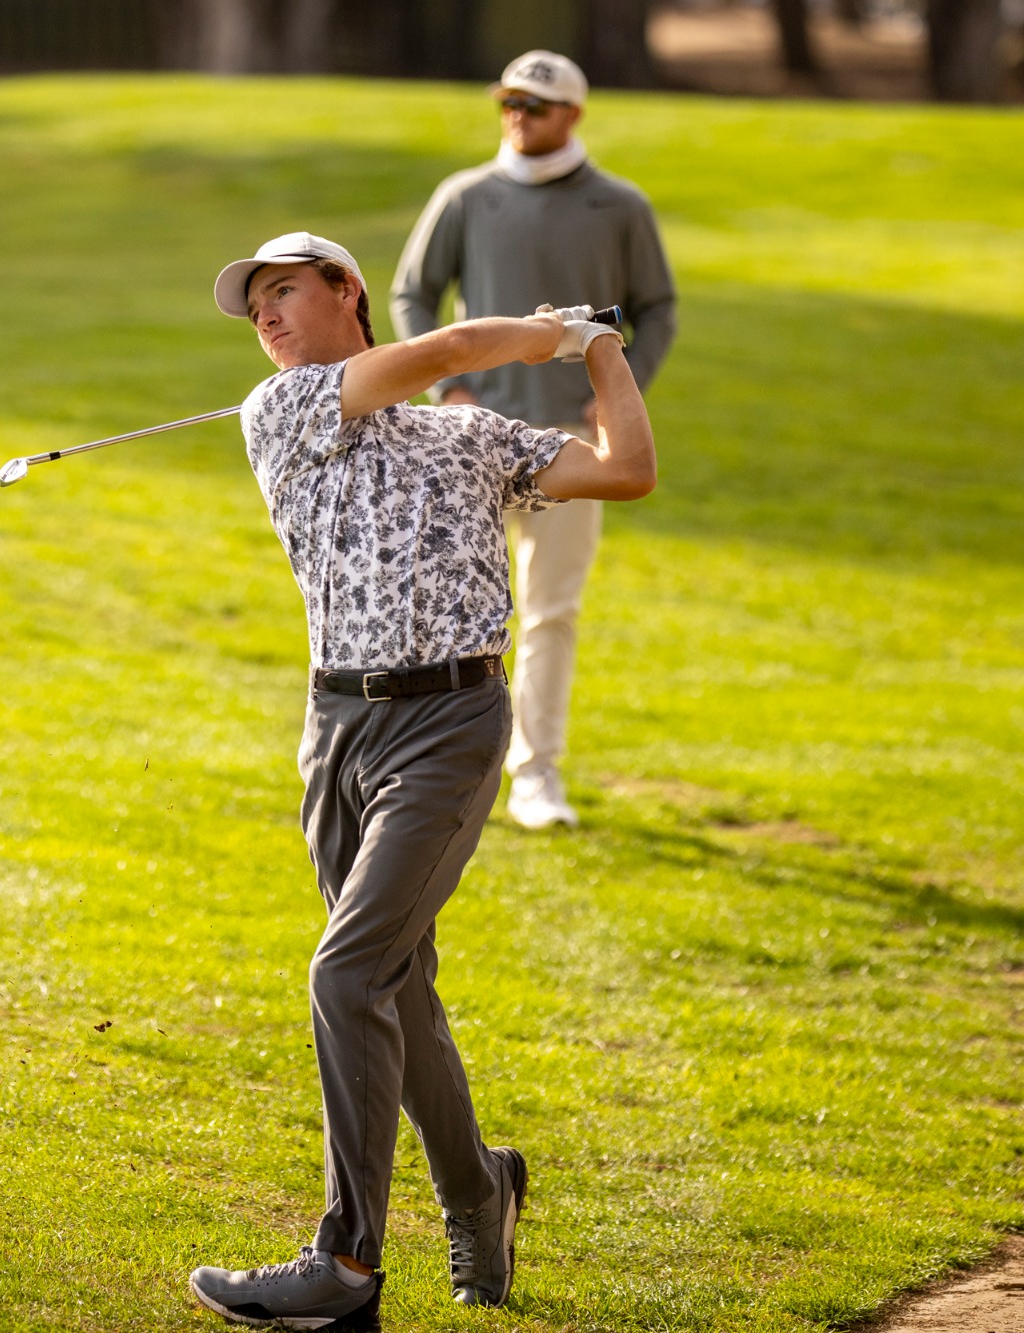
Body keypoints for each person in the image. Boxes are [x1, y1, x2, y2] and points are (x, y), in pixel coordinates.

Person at [186, 232, 655, 1328]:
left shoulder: (471, 434)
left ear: (345, 290)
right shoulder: (282, 413)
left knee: (348, 972)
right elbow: (444, 340)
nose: (263, 316)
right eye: (251, 306)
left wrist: (602, 358)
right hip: (336, 729)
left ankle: (343, 1265)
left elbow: (623, 469)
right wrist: (548, 330)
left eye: (283, 292)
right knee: (393, 982)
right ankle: (479, 1189)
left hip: (448, 722)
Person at [391, 50, 677, 831]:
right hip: (468, 438)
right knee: (453, 611)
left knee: (550, 609)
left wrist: (612, 394)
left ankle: (536, 772)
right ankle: (443, 766)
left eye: (536, 105)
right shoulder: (467, 197)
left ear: (574, 115)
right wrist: (449, 388)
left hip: (567, 442)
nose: (519, 115)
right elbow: (414, 292)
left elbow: (655, 308)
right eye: (510, 102)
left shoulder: (619, 206)